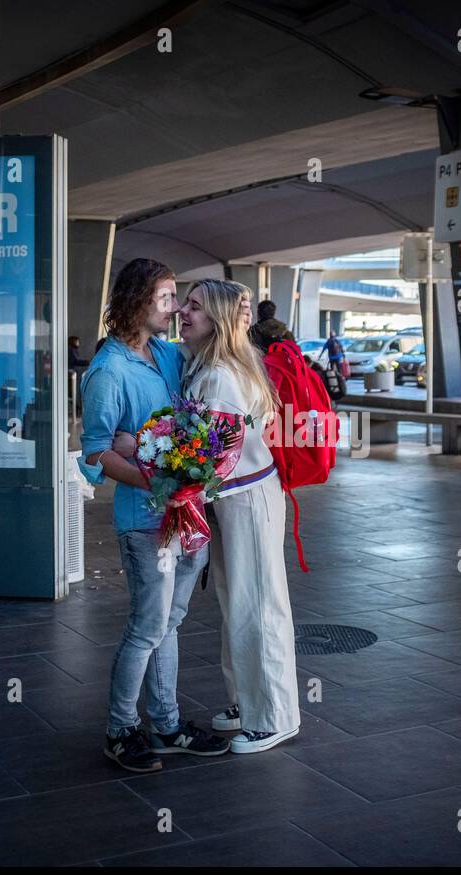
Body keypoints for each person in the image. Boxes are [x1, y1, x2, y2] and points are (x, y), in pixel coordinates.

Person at [78, 258, 229, 772]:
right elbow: (96, 453)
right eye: (167, 297)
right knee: (147, 625)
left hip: (187, 515)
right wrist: (156, 476)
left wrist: (150, 450)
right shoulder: (108, 371)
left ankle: (165, 724)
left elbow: (217, 357)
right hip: (145, 521)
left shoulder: (167, 356)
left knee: (170, 622)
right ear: (139, 299)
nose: (175, 308)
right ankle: (121, 731)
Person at [180, 279, 301, 754]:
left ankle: (273, 715)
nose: (183, 312)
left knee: (258, 605)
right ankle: (247, 701)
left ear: (218, 320)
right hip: (237, 498)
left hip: (245, 498)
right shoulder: (216, 365)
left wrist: (164, 470)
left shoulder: (220, 375)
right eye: (185, 304)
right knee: (238, 604)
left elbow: (215, 454)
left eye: (195, 307)